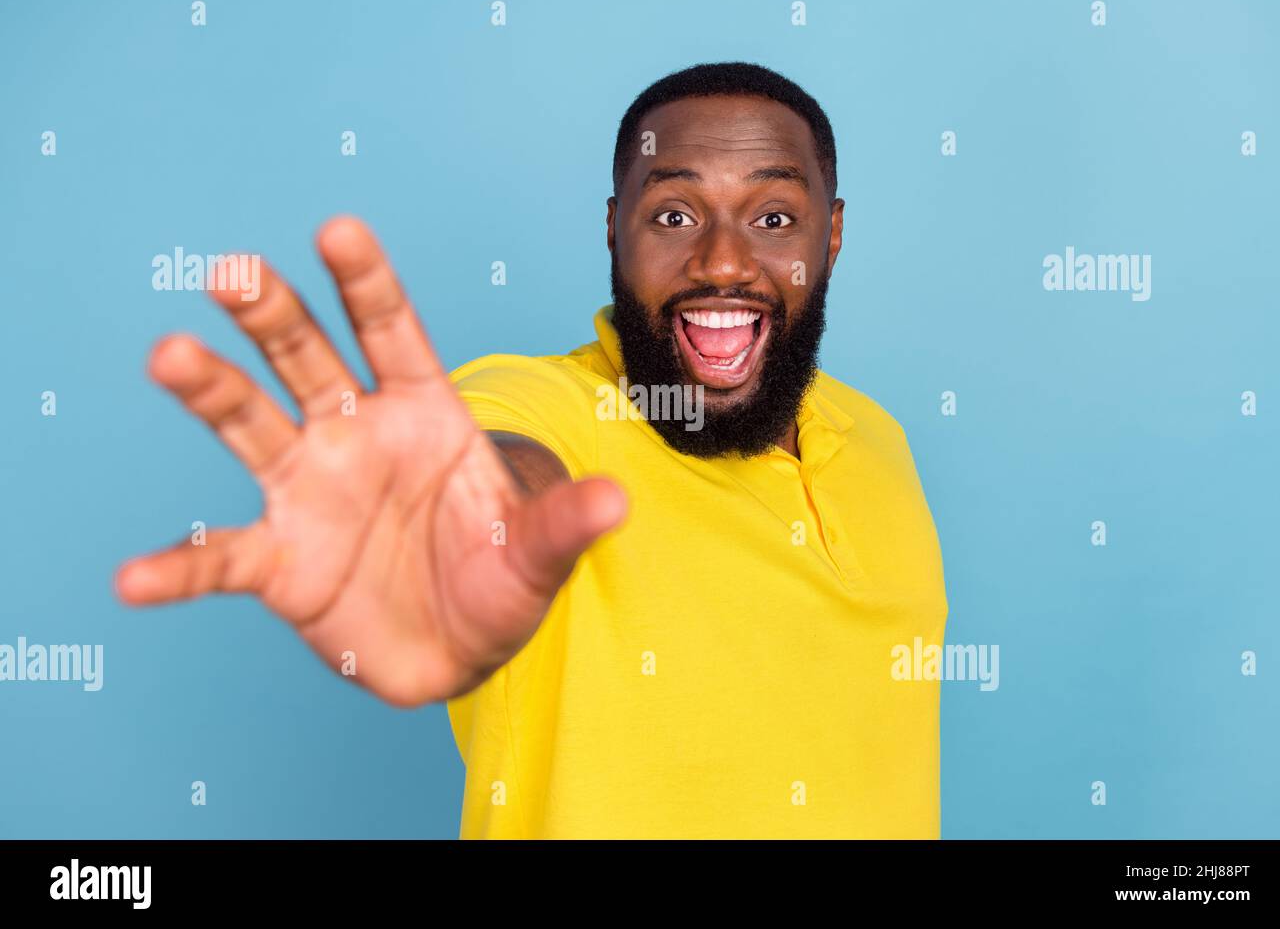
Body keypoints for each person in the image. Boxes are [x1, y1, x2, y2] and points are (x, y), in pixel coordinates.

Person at [116, 62, 949, 839]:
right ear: (614, 232)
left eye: (773, 217)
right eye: (673, 215)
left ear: (829, 236)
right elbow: (492, 474)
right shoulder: (542, 405)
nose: (723, 260)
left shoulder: (878, 440)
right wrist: (442, 530)